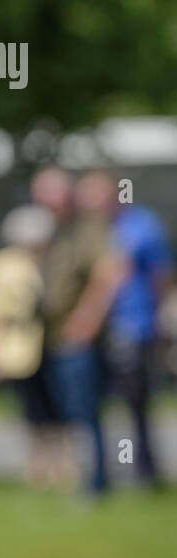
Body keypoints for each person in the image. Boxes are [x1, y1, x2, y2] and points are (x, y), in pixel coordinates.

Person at [0, 204, 75, 490]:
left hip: (55, 343)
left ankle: (63, 466)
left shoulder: (56, 261)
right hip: (17, 347)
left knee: (60, 407)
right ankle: (38, 467)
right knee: (33, 409)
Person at [35, 167, 123, 497]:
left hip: (78, 339)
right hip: (56, 338)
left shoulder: (88, 228)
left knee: (86, 412)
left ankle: (96, 483)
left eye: (49, 193)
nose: (44, 201)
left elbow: (109, 274)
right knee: (71, 410)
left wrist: (86, 322)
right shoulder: (56, 233)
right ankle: (84, 479)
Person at [98, 173, 172, 488]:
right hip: (110, 329)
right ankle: (133, 470)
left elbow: (162, 275)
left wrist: (162, 319)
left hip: (136, 327)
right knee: (119, 403)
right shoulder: (102, 230)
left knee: (136, 402)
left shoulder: (140, 226)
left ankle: (145, 472)